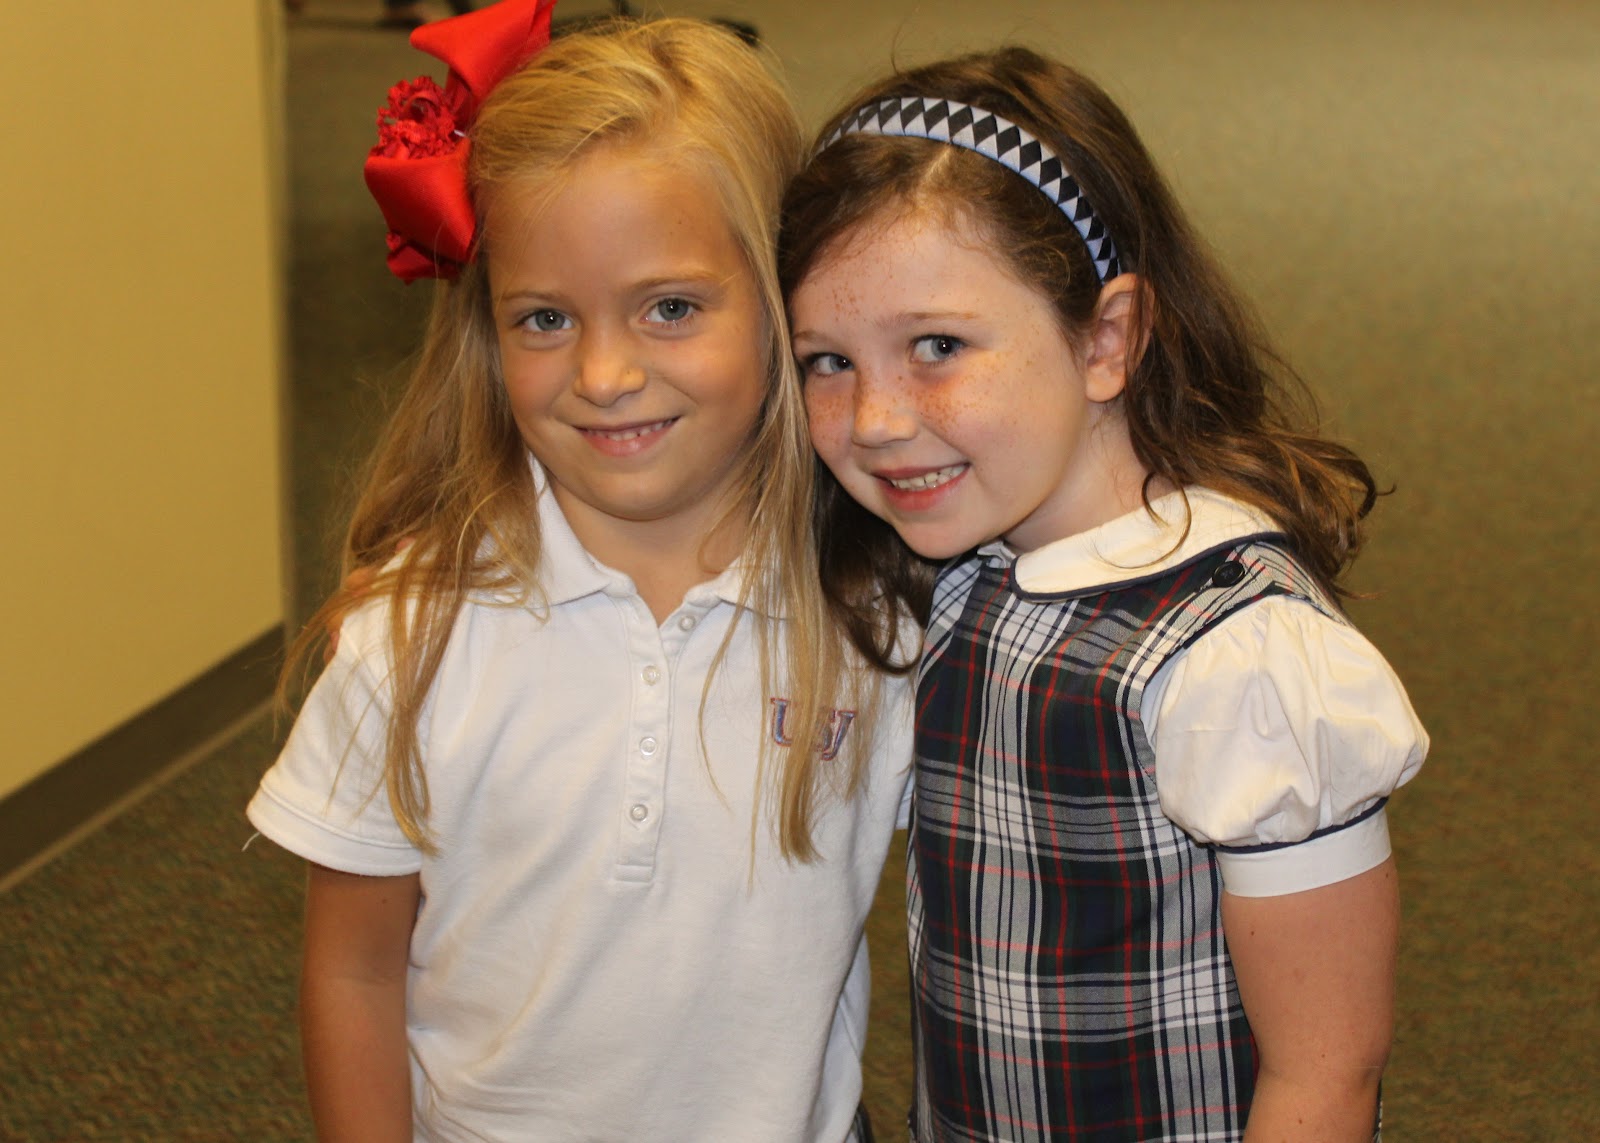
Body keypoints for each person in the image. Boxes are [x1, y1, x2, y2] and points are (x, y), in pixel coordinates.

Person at [247, 5, 917, 1140]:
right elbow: (354, 975)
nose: (604, 375)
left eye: (670, 307)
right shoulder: (416, 632)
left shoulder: (873, 606)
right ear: (486, 329)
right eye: (545, 318)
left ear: (780, 299)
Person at [779, 47, 1429, 1143]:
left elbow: (1327, 1067)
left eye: (936, 346)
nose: (877, 419)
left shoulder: (1237, 655)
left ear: (1106, 337)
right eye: (825, 361)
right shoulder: (962, 563)